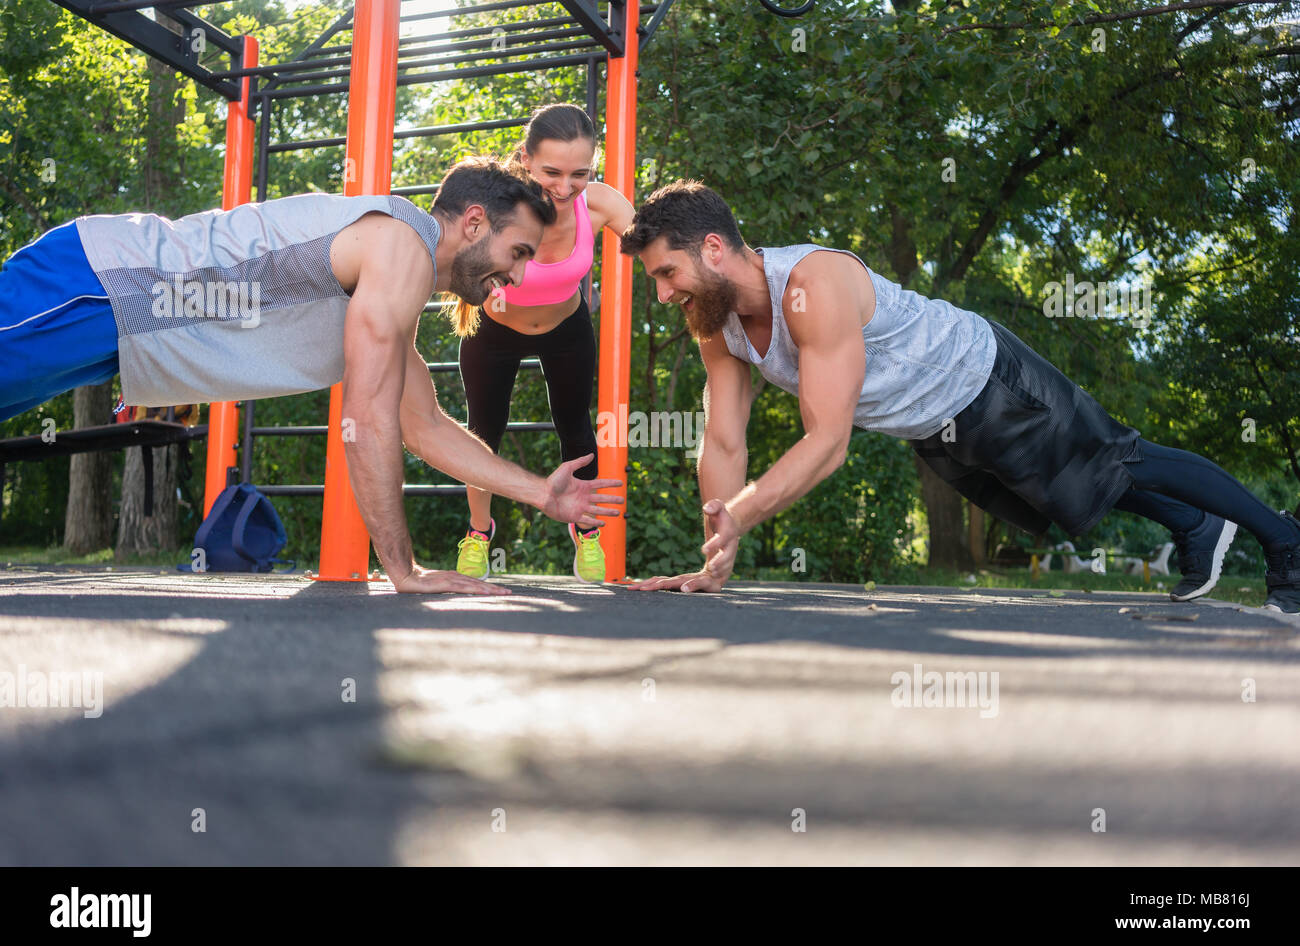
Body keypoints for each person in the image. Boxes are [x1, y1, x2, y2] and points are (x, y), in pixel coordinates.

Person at [620, 180, 1300, 614]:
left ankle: (1285, 544)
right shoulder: (717, 322)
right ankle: (1198, 525)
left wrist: (742, 512)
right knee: (1080, 488)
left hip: (987, 377)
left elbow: (827, 440)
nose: (663, 292)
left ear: (714, 247)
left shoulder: (811, 282)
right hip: (937, 428)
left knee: (1123, 457)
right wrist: (719, 550)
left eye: (667, 272)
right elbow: (725, 437)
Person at [0, 156, 623, 595]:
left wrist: (541, 492)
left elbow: (425, 427)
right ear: (474, 223)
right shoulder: (400, 245)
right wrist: (403, 570)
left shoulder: (396, 282)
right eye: (518, 253)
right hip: (105, 282)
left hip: (119, 331)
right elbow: (365, 419)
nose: (518, 278)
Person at [445, 105, 634, 583]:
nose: (565, 187)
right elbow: (446, 248)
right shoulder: (501, 206)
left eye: (579, 173)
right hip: (494, 330)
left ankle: (585, 530)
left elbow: (657, 242)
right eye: (551, 171)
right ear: (526, 160)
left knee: (576, 428)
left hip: (566, 328)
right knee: (482, 433)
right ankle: (478, 532)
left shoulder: (599, 205)